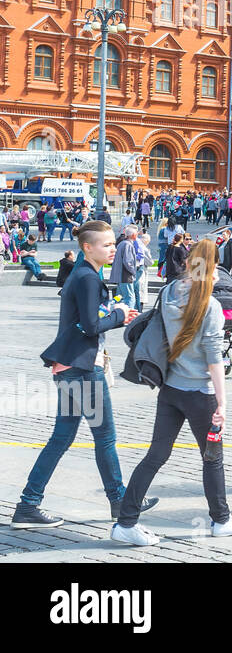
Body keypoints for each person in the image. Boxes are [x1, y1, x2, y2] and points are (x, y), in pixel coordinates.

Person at [112, 239, 232, 545]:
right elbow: (215, 358)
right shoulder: (210, 306)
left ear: (188, 263)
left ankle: (126, 522)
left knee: (156, 455)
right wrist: (222, 403)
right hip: (200, 392)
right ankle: (222, 519)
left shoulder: (169, 293)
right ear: (214, 267)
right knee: (212, 457)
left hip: (170, 388)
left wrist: (202, 276)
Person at [11, 220, 149, 529]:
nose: (112, 248)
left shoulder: (85, 274)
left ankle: (28, 505)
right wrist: (119, 315)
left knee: (62, 438)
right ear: (88, 247)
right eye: (106, 244)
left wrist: (112, 311)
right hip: (83, 369)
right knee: (105, 437)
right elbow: (90, 327)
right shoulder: (87, 277)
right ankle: (121, 503)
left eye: (113, 243)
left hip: (72, 367)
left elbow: (86, 320)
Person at [108, 225, 140, 309]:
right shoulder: (128, 245)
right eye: (136, 234)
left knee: (119, 297)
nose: (137, 235)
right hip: (125, 276)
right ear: (133, 235)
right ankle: (128, 318)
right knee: (130, 298)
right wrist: (134, 272)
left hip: (120, 275)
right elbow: (128, 262)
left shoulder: (122, 243)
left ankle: (116, 314)